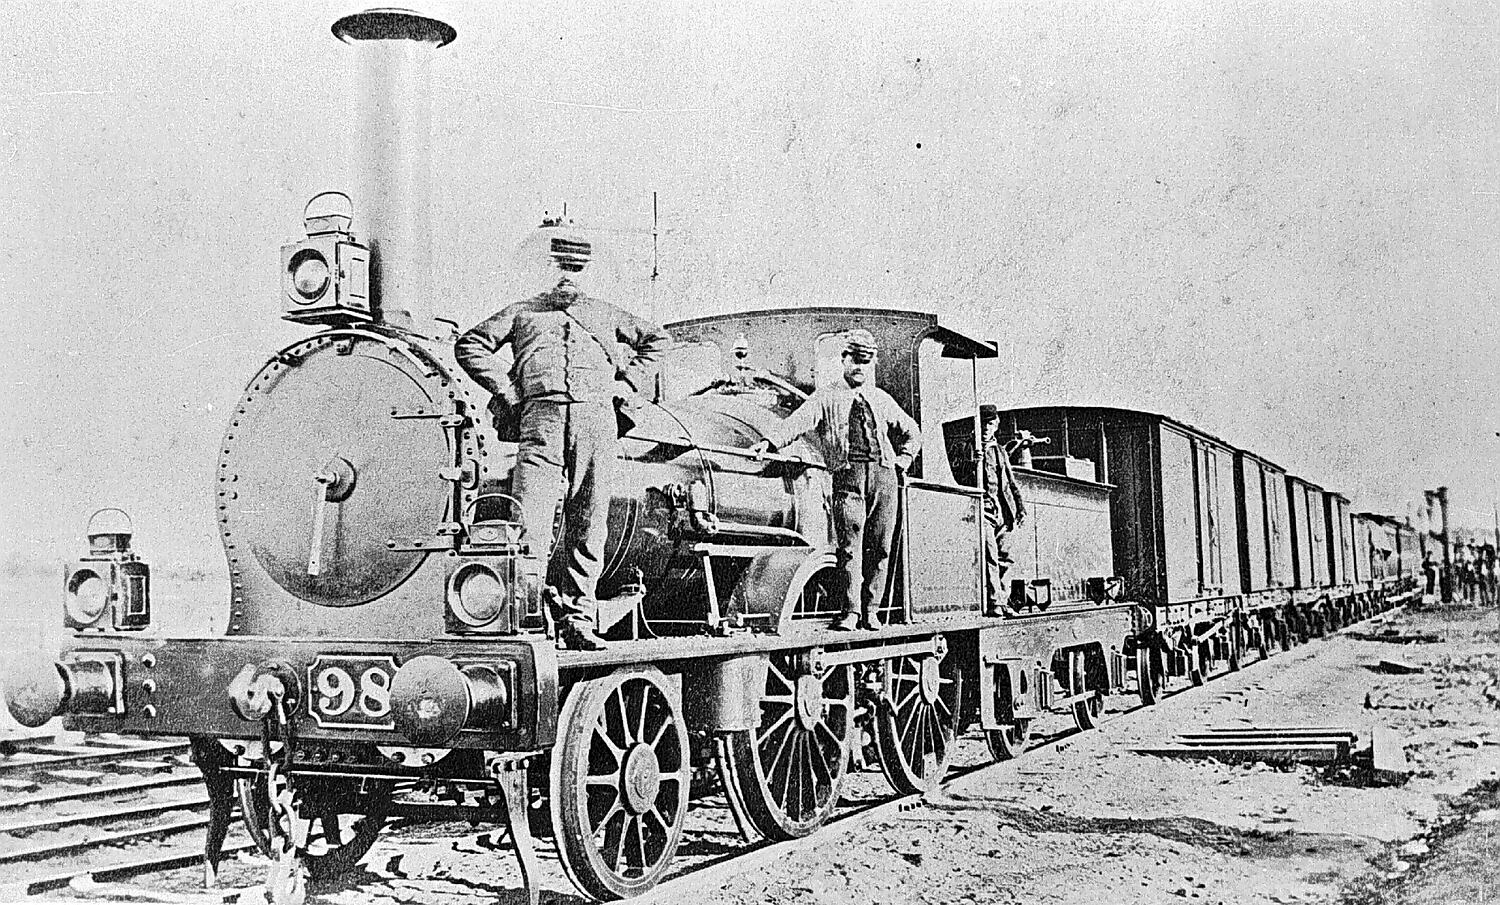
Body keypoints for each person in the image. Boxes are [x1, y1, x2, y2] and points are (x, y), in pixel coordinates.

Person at [454, 219, 671, 651]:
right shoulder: (522, 312)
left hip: (596, 421)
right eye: (559, 267)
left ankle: (578, 618)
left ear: (587, 271)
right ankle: (527, 615)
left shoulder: (606, 315)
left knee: (589, 522)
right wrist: (510, 391)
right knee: (526, 520)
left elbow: (657, 341)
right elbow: (470, 345)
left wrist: (626, 388)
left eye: (575, 269)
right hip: (540, 420)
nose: (566, 277)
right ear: (545, 269)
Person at [749, 329, 919, 631]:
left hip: (884, 477)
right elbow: (797, 423)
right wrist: (769, 443)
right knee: (850, 547)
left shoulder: (881, 399)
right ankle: (851, 611)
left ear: (873, 363)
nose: (860, 367)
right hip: (847, 478)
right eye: (855, 360)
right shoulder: (826, 397)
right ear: (843, 359)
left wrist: (903, 461)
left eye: (866, 362)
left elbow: (911, 431)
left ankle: (871, 610)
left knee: (880, 547)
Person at [979, 404, 1027, 615]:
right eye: (982, 424)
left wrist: (1020, 508)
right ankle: (995, 602)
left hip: (1003, 510)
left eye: (989, 424)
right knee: (990, 556)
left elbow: (1011, 482)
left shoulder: (1000, 451)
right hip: (984, 510)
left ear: (996, 425)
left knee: (1006, 557)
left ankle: (1003, 600)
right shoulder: (970, 449)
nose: (985, 429)